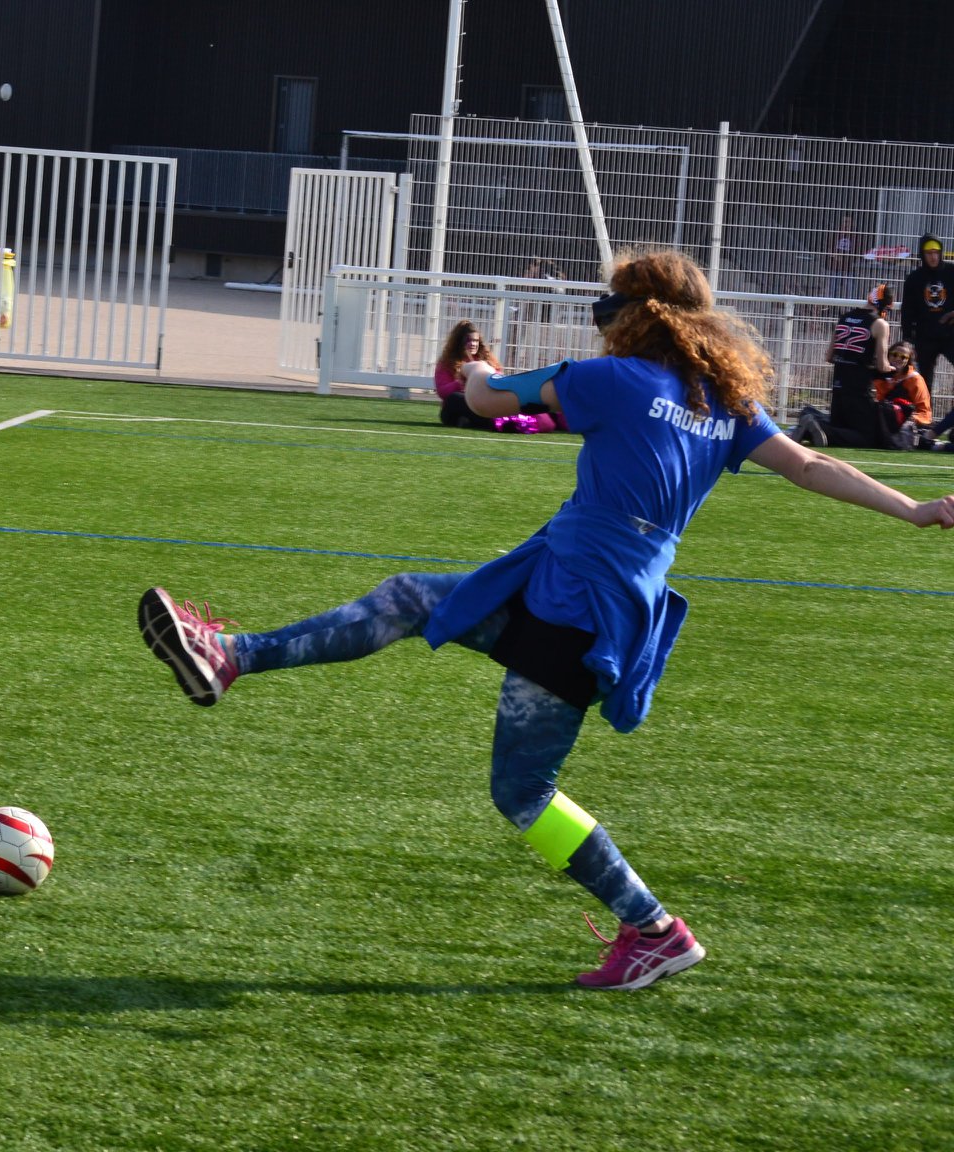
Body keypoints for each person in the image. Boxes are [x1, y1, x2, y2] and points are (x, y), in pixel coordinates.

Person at [138, 249, 954, 991]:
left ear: (636, 315)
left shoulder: (611, 381)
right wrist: (913, 508)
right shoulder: (725, 404)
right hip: (596, 598)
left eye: (610, 303)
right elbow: (813, 465)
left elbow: (487, 398)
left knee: (521, 786)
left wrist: (483, 367)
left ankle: (656, 930)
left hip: (574, 600)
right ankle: (230, 656)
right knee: (415, 604)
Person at [792, 284, 892, 449]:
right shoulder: (880, 324)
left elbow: (829, 356)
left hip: (838, 385)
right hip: (859, 388)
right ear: (884, 305)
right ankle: (816, 424)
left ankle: (810, 421)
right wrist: (892, 370)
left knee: (841, 429)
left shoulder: (844, 317)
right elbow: (882, 365)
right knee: (867, 437)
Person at [433, 321, 564, 434]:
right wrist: (462, 383)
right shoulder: (447, 362)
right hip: (462, 403)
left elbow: (499, 381)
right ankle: (496, 422)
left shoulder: (486, 360)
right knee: (454, 399)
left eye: (475, 340)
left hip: (487, 402)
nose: (473, 344)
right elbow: (442, 391)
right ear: (459, 342)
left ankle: (474, 421)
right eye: (468, 340)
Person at [902, 234, 954, 401]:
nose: (933, 256)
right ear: (922, 254)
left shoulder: (951, 272)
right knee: (924, 381)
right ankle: (924, 421)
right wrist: (908, 337)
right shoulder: (914, 278)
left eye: (936, 252)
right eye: (929, 253)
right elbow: (907, 310)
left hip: (951, 334)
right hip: (925, 337)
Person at [826, 214, 860, 303]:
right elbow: (829, 249)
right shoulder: (836, 234)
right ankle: (831, 306)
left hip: (849, 268)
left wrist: (850, 260)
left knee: (849, 291)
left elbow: (858, 251)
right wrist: (836, 257)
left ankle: (849, 307)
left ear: (852, 223)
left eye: (848, 222)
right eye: (845, 221)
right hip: (834, 267)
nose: (846, 224)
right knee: (832, 290)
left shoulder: (855, 236)